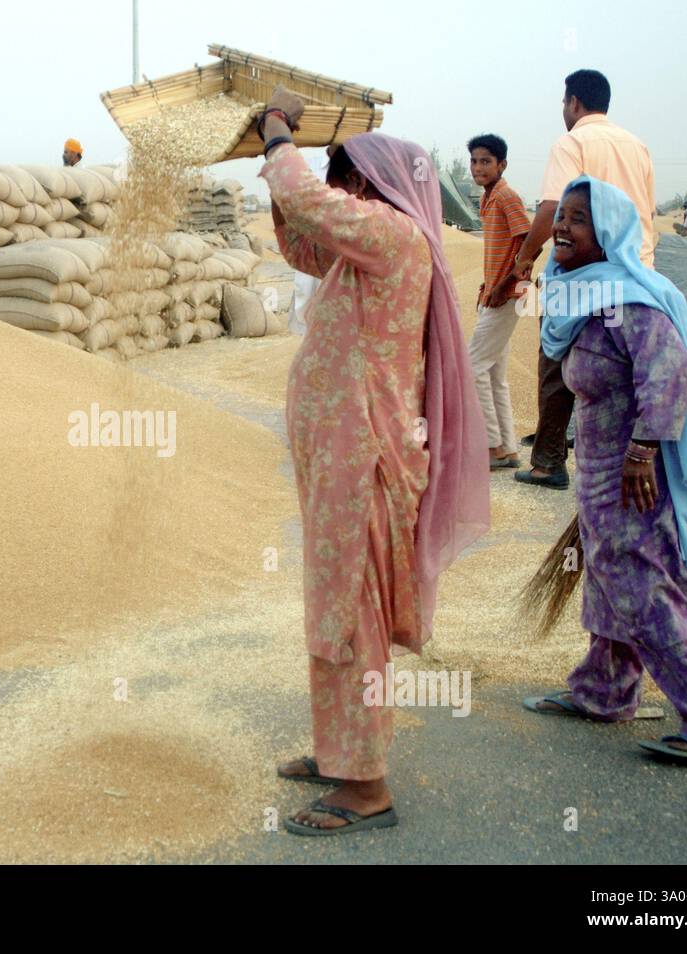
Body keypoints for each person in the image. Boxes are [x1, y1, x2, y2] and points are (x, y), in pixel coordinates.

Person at [257, 88, 489, 834]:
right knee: (334, 606)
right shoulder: (368, 247)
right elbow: (302, 241)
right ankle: (341, 753)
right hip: (341, 458)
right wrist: (282, 174)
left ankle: (365, 789)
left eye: (349, 174)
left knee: (350, 612)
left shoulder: (394, 235)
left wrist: (274, 133)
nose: (342, 187)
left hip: (364, 463)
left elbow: (306, 200)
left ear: (377, 183)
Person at [521, 176, 687, 765]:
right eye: (561, 216)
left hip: (636, 478)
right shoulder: (579, 295)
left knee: (644, 590)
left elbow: (670, 376)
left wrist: (643, 451)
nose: (562, 227)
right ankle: (605, 690)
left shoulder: (629, 300)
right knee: (608, 578)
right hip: (600, 474)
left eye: (578, 219)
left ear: (610, 234)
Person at [510, 69, 656, 491]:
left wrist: (525, 256)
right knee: (624, 369)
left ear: (573, 102)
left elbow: (553, 205)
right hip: (634, 274)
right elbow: (644, 213)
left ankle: (548, 461)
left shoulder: (571, 142)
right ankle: (618, 457)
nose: (563, 111)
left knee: (555, 359)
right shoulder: (638, 146)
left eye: (563, 103)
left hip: (582, 275)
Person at [466, 133, 530, 470]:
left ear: (502, 164)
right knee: (493, 374)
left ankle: (490, 445)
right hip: (491, 292)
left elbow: (529, 242)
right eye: (475, 161)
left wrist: (504, 284)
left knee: (471, 366)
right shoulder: (488, 198)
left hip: (504, 298)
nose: (478, 167)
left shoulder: (506, 196)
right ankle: (507, 447)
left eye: (486, 161)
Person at [286, 149, 334, 334]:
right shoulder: (311, 167)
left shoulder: (359, 163)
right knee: (306, 294)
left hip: (340, 243)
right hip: (312, 242)